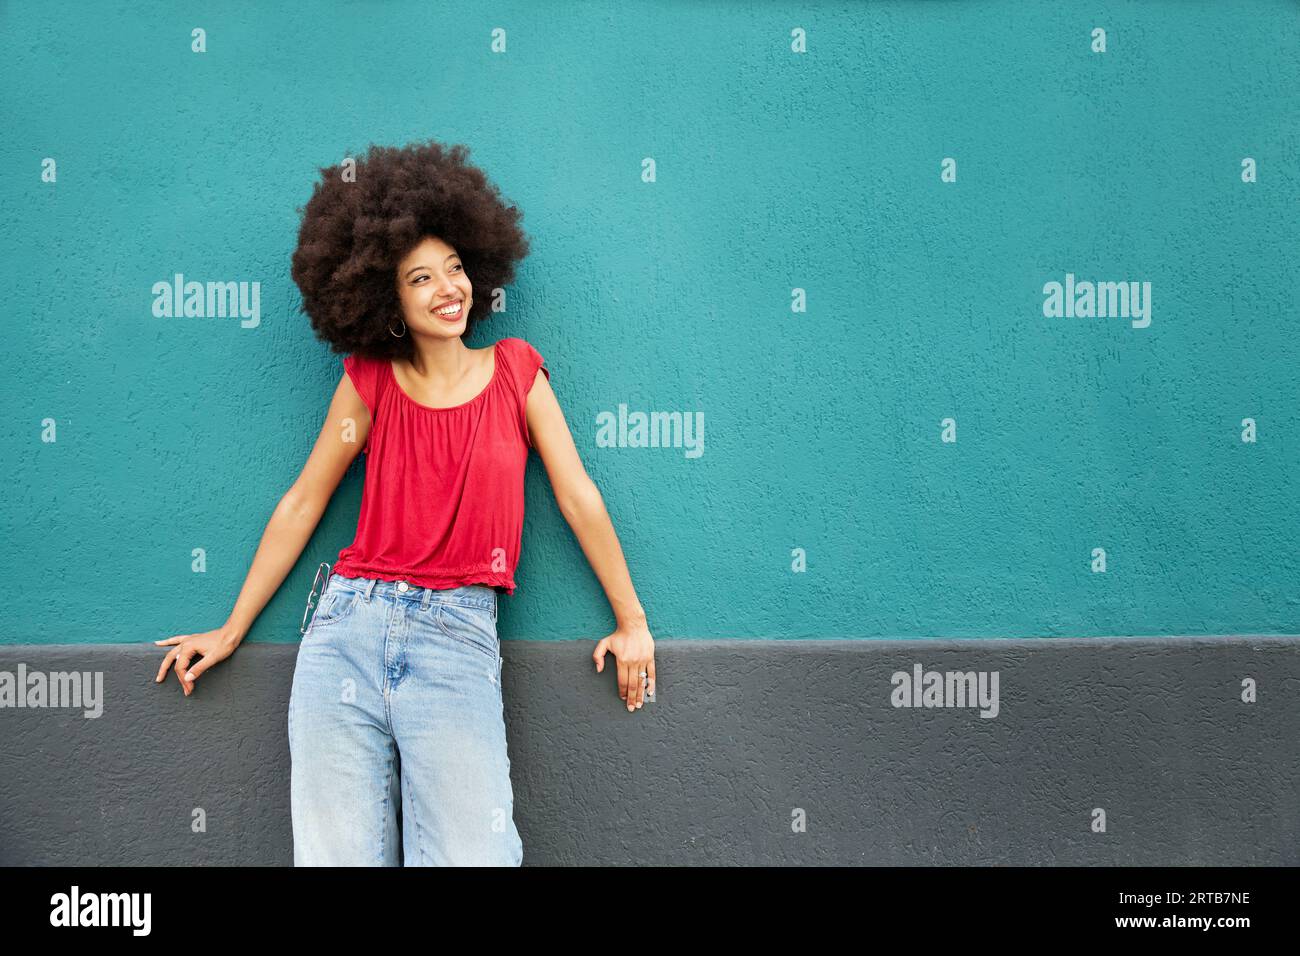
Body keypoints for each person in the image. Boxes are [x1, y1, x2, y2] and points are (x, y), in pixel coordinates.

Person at [152, 140, 656, 866]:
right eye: (421, 277)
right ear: (387, 299)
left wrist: (631, 619)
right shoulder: (370, 383)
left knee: (473, 857)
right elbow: (304, 501)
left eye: (454, 267)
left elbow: (579, 497)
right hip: (346, 631)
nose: (447, 287)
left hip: (457, 635)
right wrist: (233, 629)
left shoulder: (515, 371)